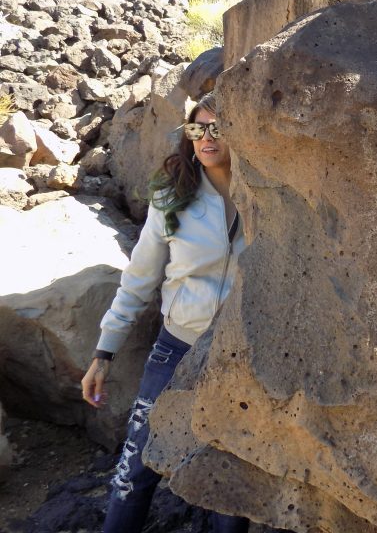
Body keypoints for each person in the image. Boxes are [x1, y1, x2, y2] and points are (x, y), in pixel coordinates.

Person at [81, 92, 249, 533]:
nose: (206, 138)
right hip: (176, 348)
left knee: (229, 484)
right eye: (197, 128)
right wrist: (105, 352)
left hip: (240, 358)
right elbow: (139, 278)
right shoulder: (173, 194)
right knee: (135, 469)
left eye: (218, 128)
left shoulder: (266, 197)